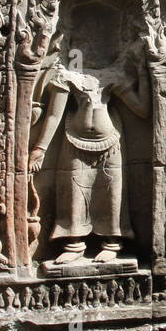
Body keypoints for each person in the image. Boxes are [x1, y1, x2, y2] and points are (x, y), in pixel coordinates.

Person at [29, 30, 149, 265]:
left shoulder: (113, 76)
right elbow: (54, 116)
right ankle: (73, 243)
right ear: (74, 48)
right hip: (74, 141)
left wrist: (144, 73)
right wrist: (40, 148)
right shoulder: (67, 76)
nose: (91, 49)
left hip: (111, 142)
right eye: (85, 44)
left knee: (112, 191)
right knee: (73, 191)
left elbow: (142, 109)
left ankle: (112, 242)